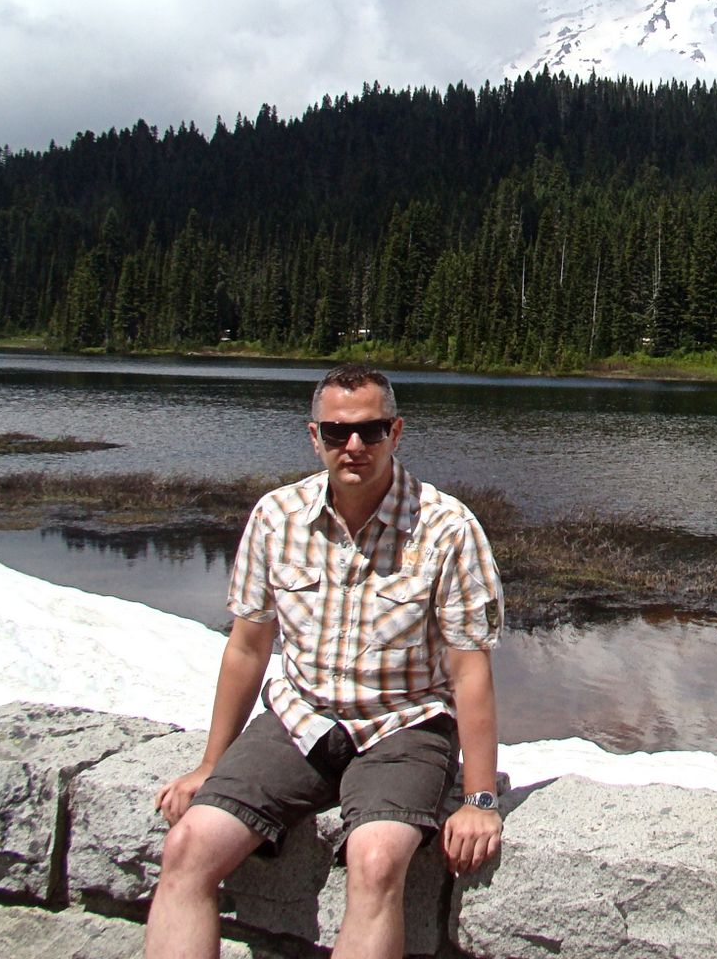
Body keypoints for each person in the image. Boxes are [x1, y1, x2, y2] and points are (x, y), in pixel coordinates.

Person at [146, 364, 504, 959]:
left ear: (397, 432)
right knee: (187, 848)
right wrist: (213, 761)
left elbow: (471, 671)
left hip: (403, 727)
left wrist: (480, 799)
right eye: (337, 433)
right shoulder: (276, 516)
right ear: (314, 437)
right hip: (298, 719)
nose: (355, 446)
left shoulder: (448, 528)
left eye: (371, 430)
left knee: (375, 861)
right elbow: (247, 646)